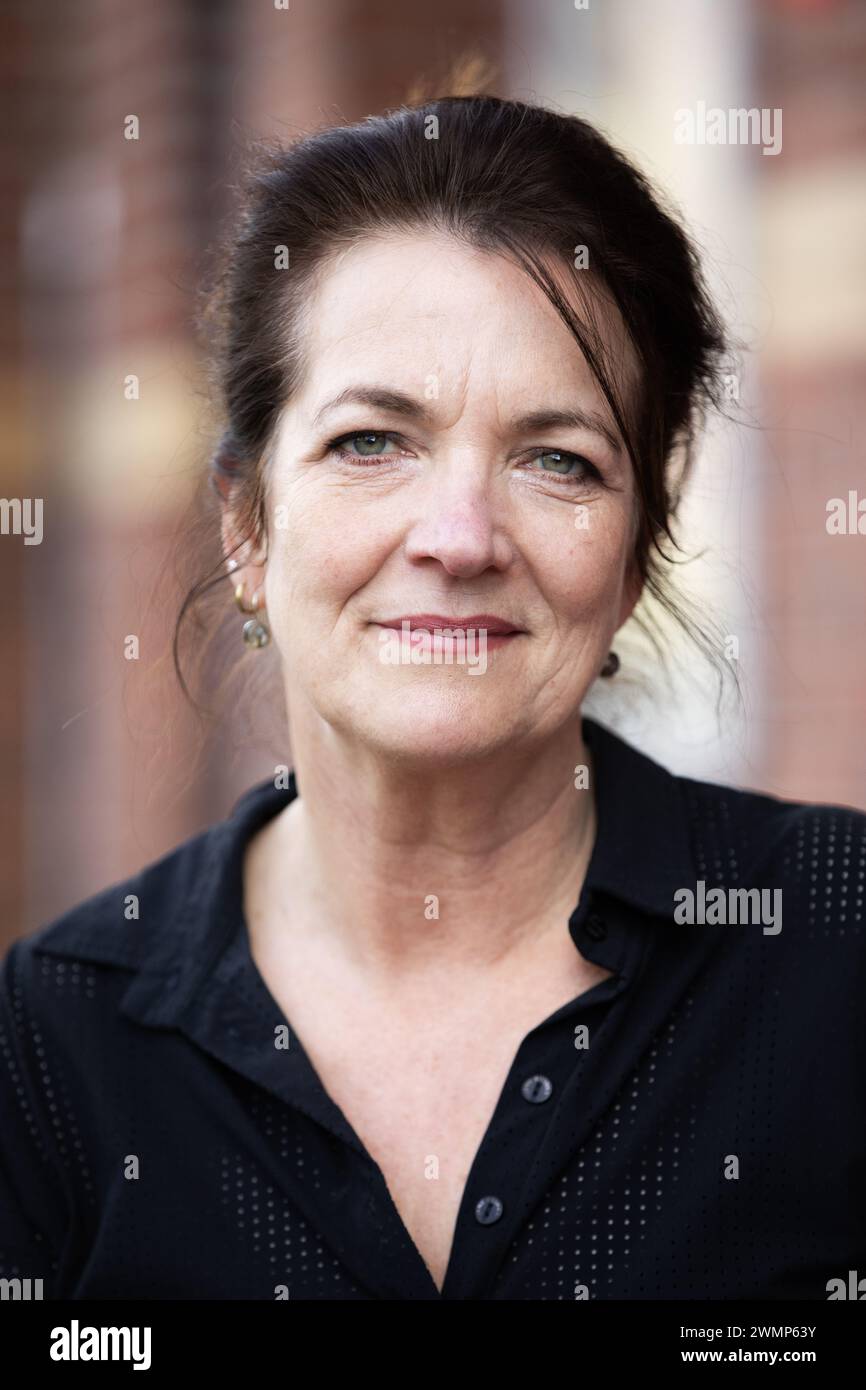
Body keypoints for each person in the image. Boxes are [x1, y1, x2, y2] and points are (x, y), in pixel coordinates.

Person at [2, 90, 864, 1303]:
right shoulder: (48, 1046)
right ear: (247, 523)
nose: (459, 537)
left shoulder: (835, 946)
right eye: (371, 441)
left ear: (631, 557)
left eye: (556, 459)